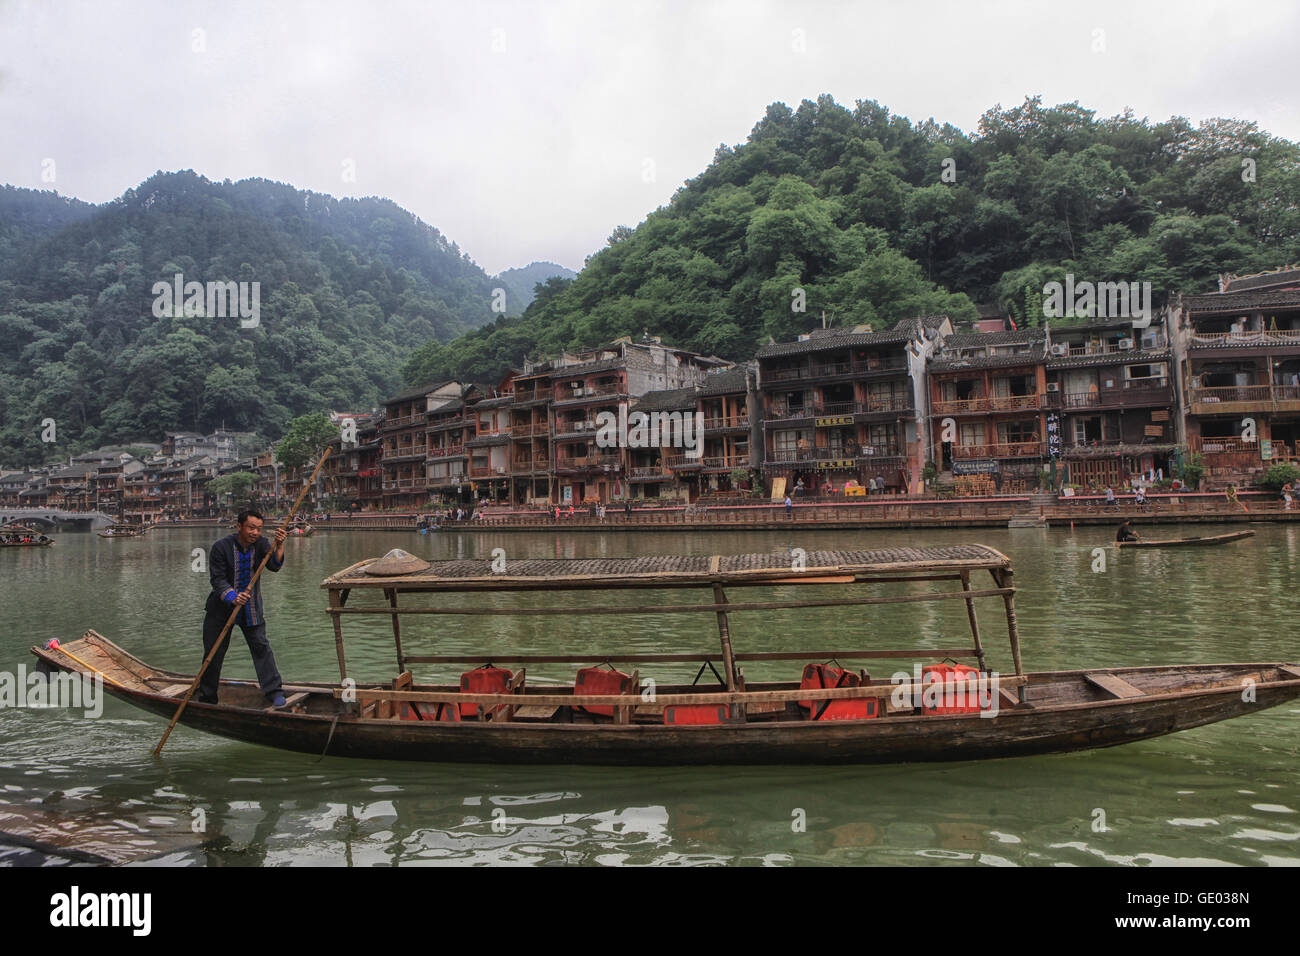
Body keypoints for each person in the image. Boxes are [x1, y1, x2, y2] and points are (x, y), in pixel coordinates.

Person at [200, 510, 288, 707]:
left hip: (251, 608)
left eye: (258, 529)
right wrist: (233, 596)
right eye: (251, 528)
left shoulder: (262, 545)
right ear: (239, 526)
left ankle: (274, 691)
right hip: (221, 609)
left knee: (261, 647)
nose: (255, 533)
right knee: (213, 653)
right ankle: (207, 697)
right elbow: (218, 580)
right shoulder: (220, 547)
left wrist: (280, 545)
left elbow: (274, 566)